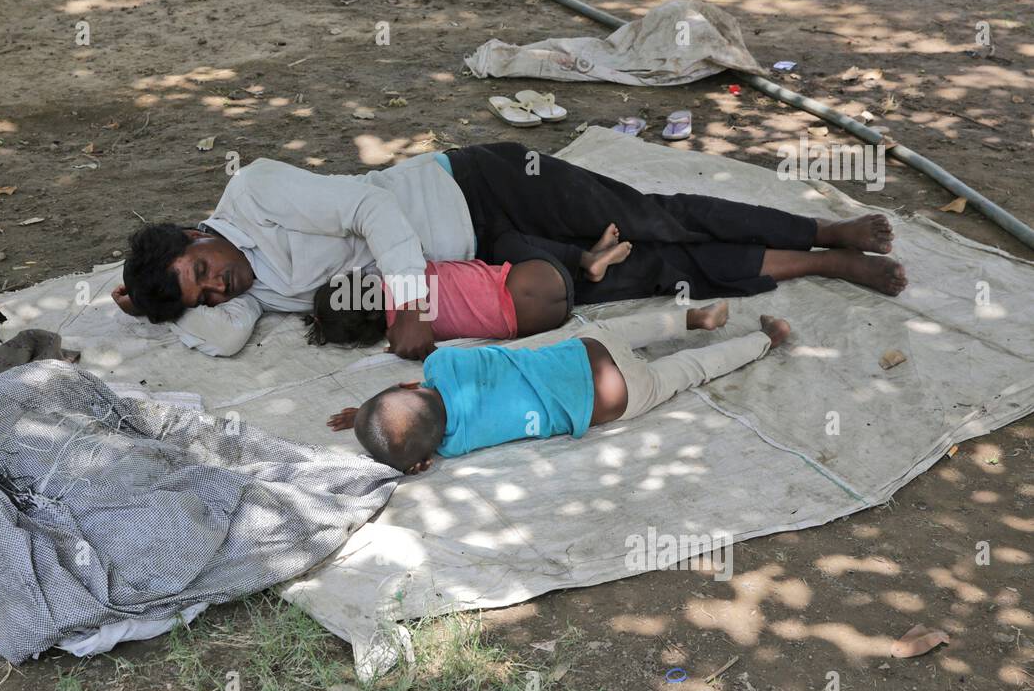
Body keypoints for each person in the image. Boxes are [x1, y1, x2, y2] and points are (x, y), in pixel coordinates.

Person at [115, 142, 903, 360]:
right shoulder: (231, 294)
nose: (220, 290)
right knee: (645, 273)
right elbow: (219, 336)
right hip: (486, 267)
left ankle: (819, 230)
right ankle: (824, 266)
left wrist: (416, 311)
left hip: (481, 188)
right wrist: (145, 304)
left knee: (648, 216)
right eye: (204, 295)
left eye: (202, 273)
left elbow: (370, 206)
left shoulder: (253, 193)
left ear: (197, 234)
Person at [327, 302, 788, 473]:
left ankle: (767, 339)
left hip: (613, 400)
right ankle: (694, 316)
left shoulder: (456, 445)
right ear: (409, 382)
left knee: (689, 370)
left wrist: (396, 442)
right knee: (630, 329)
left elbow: (412, 435)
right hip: (589, 350)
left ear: (425, 461)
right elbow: (408, 398)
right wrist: (371, 409)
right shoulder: (443, 361)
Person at [304, 225, 632, 347]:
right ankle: (586, 258)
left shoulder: (402, 335)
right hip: (538, 277)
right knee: (504, 238)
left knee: (536, 286)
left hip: (536, 320)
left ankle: (591, 267)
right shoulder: (405, 276)